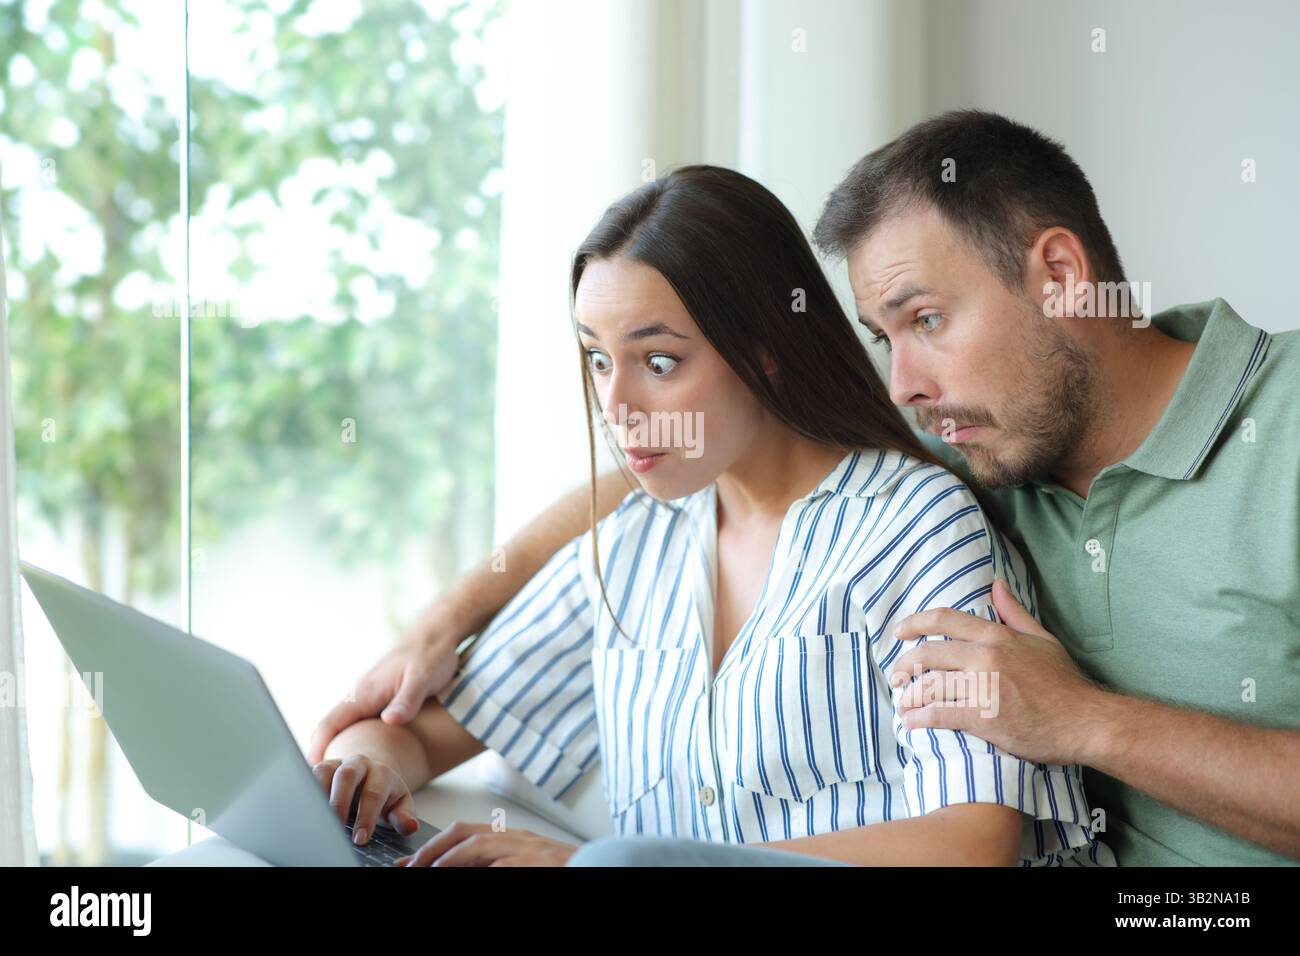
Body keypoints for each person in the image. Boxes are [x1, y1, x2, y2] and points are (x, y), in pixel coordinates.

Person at [311, 164, 1110, 867]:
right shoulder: (633, 541)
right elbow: (417, 734)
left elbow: (971, 845)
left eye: (659, 362)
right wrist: (364, 770)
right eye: (597, 358)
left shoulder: (914, 530)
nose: (616, 405)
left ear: (763, 346)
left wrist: (619, 870)